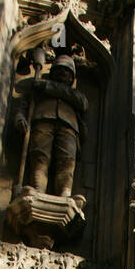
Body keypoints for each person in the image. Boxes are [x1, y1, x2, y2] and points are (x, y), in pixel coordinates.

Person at [16, 52, 88, 197]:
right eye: (59, 69)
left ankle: (65, 194)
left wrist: (47, 86)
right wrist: (19, 119)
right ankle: (37, 189)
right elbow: (24, 106)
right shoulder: (38, 88)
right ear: (52, 72)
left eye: (67, 71)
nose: (63, 73)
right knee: (40, 157)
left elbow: (83, 103)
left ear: (72, 78)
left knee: (66, 161)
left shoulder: (71, 94)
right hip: (42, 121)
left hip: (69, 127)